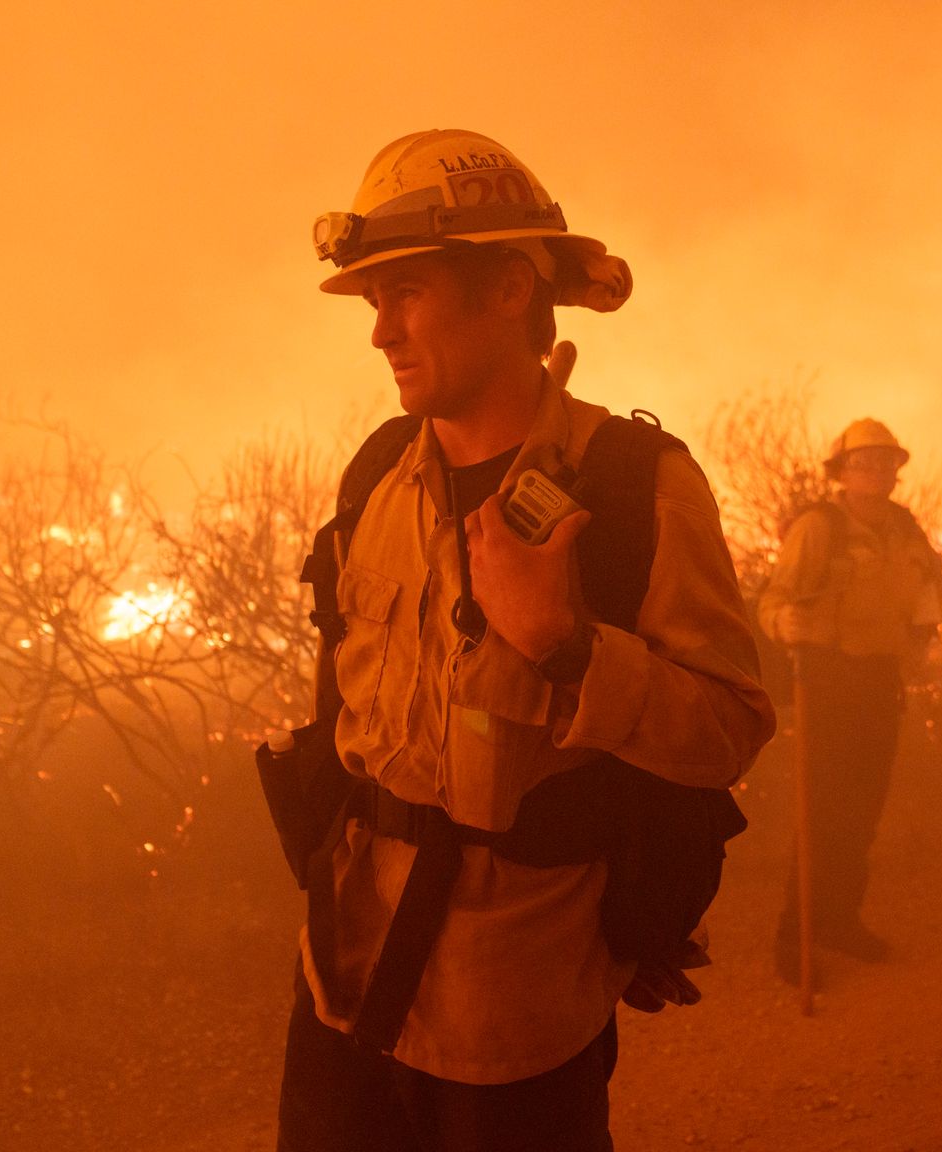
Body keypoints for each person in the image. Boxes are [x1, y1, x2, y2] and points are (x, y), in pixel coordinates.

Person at [279, 128, 775, 1151]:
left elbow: (729, 726)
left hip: (511, 1011)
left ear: (509, 286)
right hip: (342, 976)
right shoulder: (377, 476)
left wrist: (562, 640)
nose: (380, 331)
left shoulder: (634, 484)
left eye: (406, 290)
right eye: (372, 300)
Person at [757, 418, 942, 982]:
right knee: (823, 811)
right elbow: (775, 601)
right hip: (828, 679)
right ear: (842, 472)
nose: (877, 472)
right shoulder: (818, 528)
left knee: (863, 813)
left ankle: (839, 919)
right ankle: (797, 936)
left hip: (880, 682)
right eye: (864, 463)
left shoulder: (906, 530)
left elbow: (929, 587)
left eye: (886, 463)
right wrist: (784, 622)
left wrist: (922, 634)